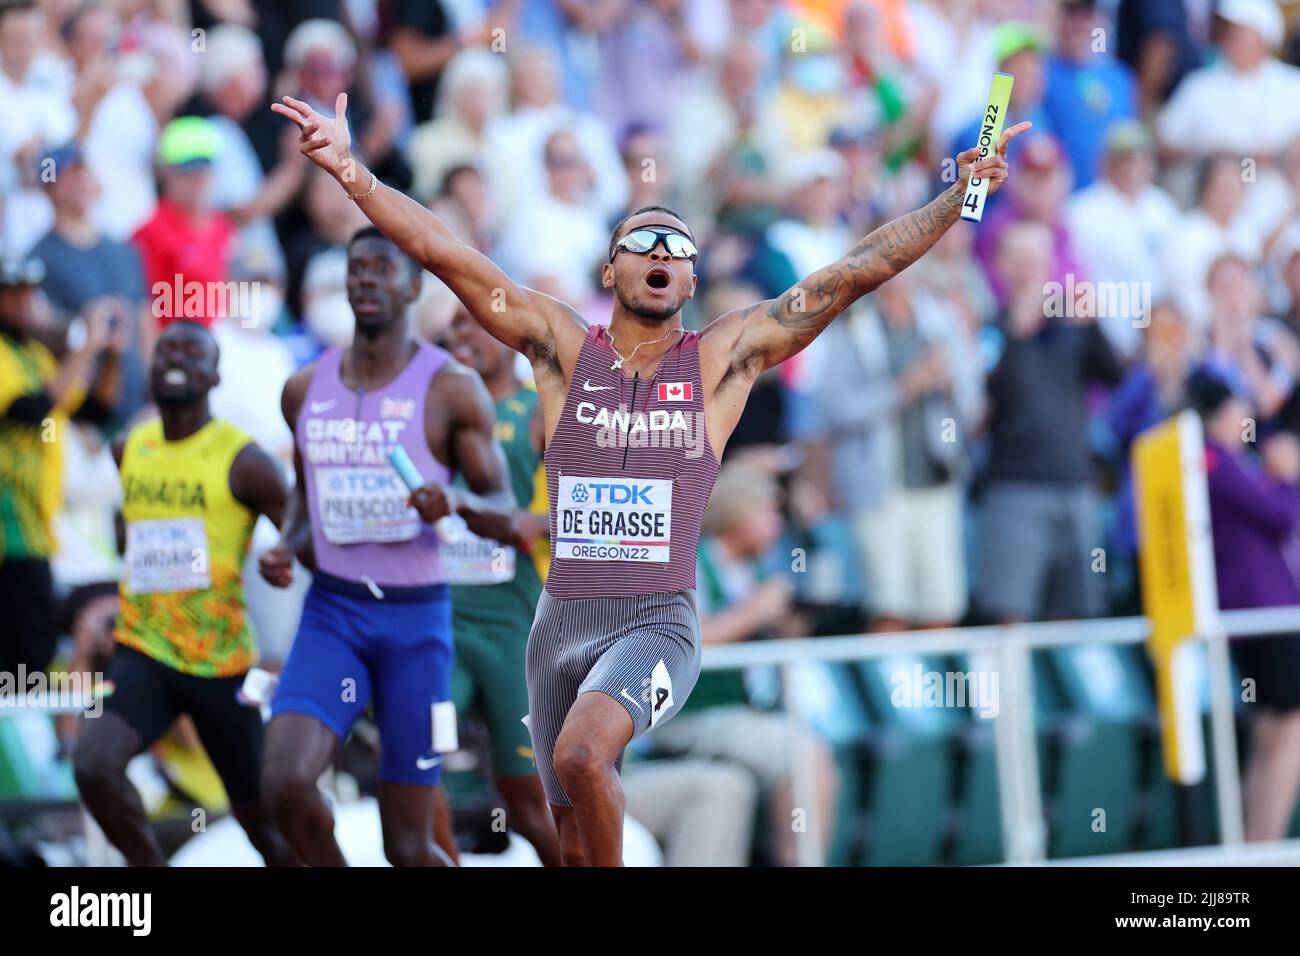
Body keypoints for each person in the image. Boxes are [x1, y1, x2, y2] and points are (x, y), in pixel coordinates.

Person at [272, 88, 1028, 866]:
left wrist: (951, 200)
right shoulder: (561, 346)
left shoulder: (722, 356)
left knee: (580, 755)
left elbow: (851, 274)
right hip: (557, 625)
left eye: (678, 247)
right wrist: (351, 171)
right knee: (566, 842)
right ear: (611, 268)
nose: (663, 252)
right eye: (645, 241)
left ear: (693, 282)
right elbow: (443, 254)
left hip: (658, 619)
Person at [257, 227, 517, 867]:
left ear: (410, 285)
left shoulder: (452, 388)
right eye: (356, 268)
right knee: (284, 785)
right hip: (334, 614)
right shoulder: (302, 388)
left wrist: (455, 501)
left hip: (415, 623)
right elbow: (304, 493)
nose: (366, 279)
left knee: (409, 846)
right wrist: (288, 544)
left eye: (381, 268)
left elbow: (506, 510)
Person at [72, 320, 298, 867]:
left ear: (215, 374)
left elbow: (299, 523)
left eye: (192, 352)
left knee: (262, 824)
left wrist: (283, 557)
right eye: (167, 350)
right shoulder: (131, 445)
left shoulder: (243, 459)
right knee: (94, 767)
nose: (175, 358)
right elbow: (131, 531)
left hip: (219, 661)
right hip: (145, 649)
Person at [442, 303, 560, 866]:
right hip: (442, 619)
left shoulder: (538, 410)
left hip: (514, 622)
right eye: (452, 330)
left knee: (527, 797)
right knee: (416, 760)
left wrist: (529, 525)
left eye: (473, 326)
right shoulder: (433, 411)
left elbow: (597, 511)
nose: (460, 337)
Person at [1188, 370, 1300, 842]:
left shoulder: (1217, 462)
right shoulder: (1218, 460)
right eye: (1239, 412)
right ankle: (1263, 842)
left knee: (1270, 734)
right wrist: (1288, 478)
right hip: (1264, 616)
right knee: (1286, 734)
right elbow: (1280, 517)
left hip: (1258, 617)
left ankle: (1256, 843)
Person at [0, 255, 119, 673]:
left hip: (35, 529)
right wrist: (85, 345)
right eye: (12, 294)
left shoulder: (33, 356)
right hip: (8, 529)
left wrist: (111, 358)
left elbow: (93, 409)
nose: (24, 304)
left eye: (29, 293)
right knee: (20, 659)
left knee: (33, 652)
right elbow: (31, 409)